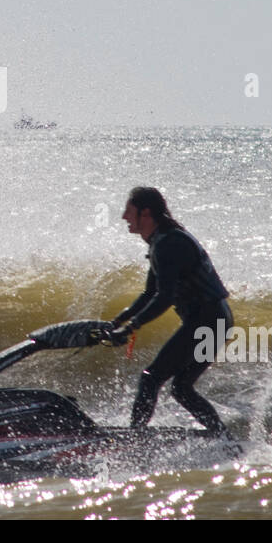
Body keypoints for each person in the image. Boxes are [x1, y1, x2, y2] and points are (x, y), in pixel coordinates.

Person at [105, 186, 236, 438]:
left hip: (207, 320)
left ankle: (135, 439)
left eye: (128, 211)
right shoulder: (161, 241)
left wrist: (132, 327)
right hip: (216, 319)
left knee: (151, 378)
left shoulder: (169, 244)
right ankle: (223, 437)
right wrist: (116, 322)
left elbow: (164, 298)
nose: (123, 217)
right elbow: (148, 294)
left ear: (145, 213)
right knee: (181, 388)